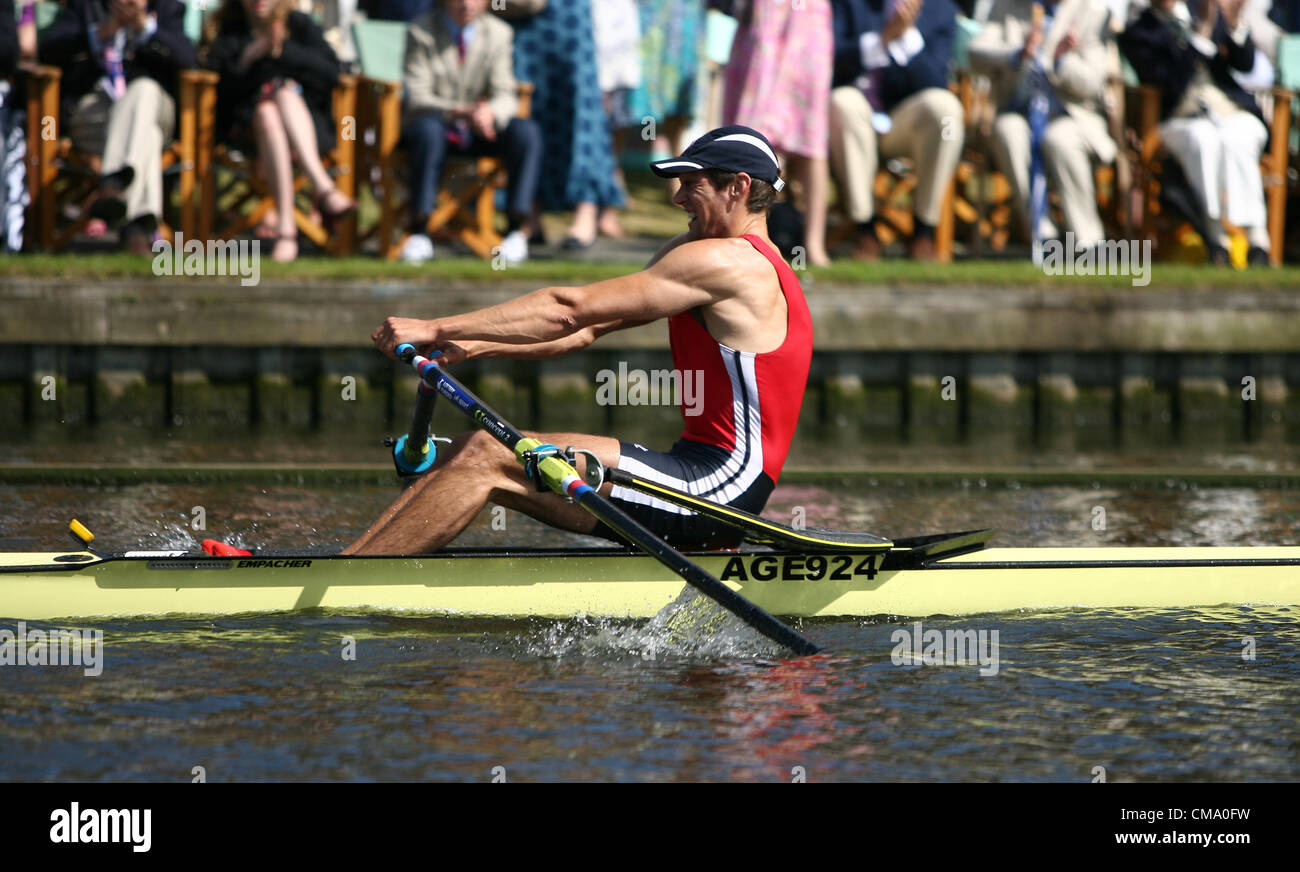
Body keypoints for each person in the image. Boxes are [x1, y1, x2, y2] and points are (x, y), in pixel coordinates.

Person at [345, 126, 813, 556]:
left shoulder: (729, 263)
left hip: (719, 490)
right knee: (470, 449)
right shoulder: (699, 252)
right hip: (694, 469)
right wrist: (477, 346)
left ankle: (348, 580)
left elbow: (567, 308)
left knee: (486, 454)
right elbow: (584, 330)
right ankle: (350, 565)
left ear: (738, 187)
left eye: (692, 184)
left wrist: (436, 328)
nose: (678, 198)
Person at [1119, 0, 1273, 265]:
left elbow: (1245, 63)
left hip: (1230, 109)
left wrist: (1234, 24)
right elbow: (1168, 83)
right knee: (1203, 140)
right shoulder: (1139, 32)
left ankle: (1258, 241)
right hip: (1180, 116)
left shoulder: (1204, 10)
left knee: (1240, 136)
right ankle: (1216, 239)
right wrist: (1199, 39)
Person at [38, 0, 197, 252]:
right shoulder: (86, 6)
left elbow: (190, 59)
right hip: (95, 115)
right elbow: (48, 52)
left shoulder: (168, 8)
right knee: (148, 136)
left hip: (155, 108)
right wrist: (98, 34)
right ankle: (137, 230)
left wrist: (147, 28)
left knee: (144, 91)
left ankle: (112, 184)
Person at [204, 0, 356, 262]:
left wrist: (283, 51)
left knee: (282, 97)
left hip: (305, 129)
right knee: (267, 111)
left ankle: (287, 228)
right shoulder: (228, 29)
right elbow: (216, 85)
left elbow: (332, 72)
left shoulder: (298, 24)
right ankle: (323, 188)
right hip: (244, 133)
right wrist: (248, 58)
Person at [400, 0, 541, 264]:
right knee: (428, 131)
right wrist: (457, 111)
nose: (466, 4)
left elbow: (506, 92)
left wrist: (490, 113)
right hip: (437, 124)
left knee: (526, 132)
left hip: (479, 129)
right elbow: (417, 95)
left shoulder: (499, 32)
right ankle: (419, 228)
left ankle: (516, 227)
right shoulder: (420, 31)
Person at [970, 0, 1117, 251]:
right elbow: (975, 53)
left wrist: (1060, 61)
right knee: (1008, 130)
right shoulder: (1007, 7)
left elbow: (1093, 82)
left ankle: (1088, 244)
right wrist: (1016, 54)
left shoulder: (1092, 12)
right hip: (1020, 111)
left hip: (1072, 116)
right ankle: (1044, 236)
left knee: (1060, 139)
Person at [829, 0, 965, 261]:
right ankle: (865, 230)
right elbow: (830, 59)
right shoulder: (847, 4)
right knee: (842, 101)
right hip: (856, 116)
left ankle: (924, 230)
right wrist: (882, 40)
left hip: (905, 121)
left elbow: (936, 80)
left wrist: (907, 37)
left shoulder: (941, 8)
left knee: (946, 109)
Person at [500, 0, 627, 249]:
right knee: (528, 108)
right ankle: (528, 212)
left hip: (568, 17)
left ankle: (585, 211)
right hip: (520, 20)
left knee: (580, 110)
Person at [723, 0, 835, 266]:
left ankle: (814, 244)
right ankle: (742, 237)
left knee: (811, 138)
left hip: (807, 23)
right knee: (753, 138)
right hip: (766, 20)